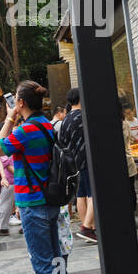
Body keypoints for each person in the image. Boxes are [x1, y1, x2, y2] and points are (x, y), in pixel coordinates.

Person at [0, 81, 67, 274]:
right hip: (50, 201)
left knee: (43, 265)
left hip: (32, 204)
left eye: (15, 102)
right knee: (56, 260)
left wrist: (8, 119)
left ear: (21, 103)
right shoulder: (48, 126)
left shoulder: (24, 130)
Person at [61, 89, 94, 244]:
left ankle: (89, 228)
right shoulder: (83, 116)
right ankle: (87, 227)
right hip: (86, 160)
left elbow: (62, 143)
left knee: (81, 195)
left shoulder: (66, 119)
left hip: (72, 163)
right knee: (93, 193)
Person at [0, 151, 15, 236]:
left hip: (9, 181)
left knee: (4, 205)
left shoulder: (4, 150)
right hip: (19, 180)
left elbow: (7, 165)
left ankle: (3, 228)